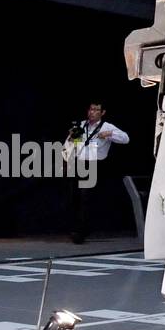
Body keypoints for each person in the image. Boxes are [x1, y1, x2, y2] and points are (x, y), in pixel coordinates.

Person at [67, 101, 129, 244]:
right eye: (91, 109)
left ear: (102, 113)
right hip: (78, 163)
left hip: (94, 164)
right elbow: (70, 144)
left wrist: (110, 134)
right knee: (74, 198)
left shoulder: (107, 127)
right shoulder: (81, 125)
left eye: (96, 110)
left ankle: (81, 232)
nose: (92, 112)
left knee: (85, 198)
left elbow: (126, 139)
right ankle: (76, 228)